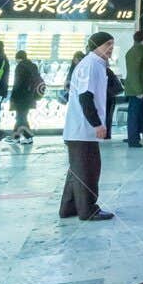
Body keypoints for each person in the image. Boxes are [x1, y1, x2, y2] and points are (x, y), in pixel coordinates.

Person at [59, 31, 115, 222]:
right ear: (96, 46)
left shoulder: (95, 64)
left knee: (77, 170)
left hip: (80, 130)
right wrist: (97, 124)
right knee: (88, 171)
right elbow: (85, 96)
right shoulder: (91, 65)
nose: (111, 48)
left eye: (112, 44)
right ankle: (88, 209)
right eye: (107, 44)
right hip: (82, 129)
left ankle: (69, 207)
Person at [9, 51, 42, 143]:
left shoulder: (20, 66)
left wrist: (13, 96)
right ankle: (16, 137)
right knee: (21, 117)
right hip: (30, 96)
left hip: (21, 97)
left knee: (21, 118)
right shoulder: (33, 66)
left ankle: (27, 137)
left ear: (18, 58)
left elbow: (17, 83)